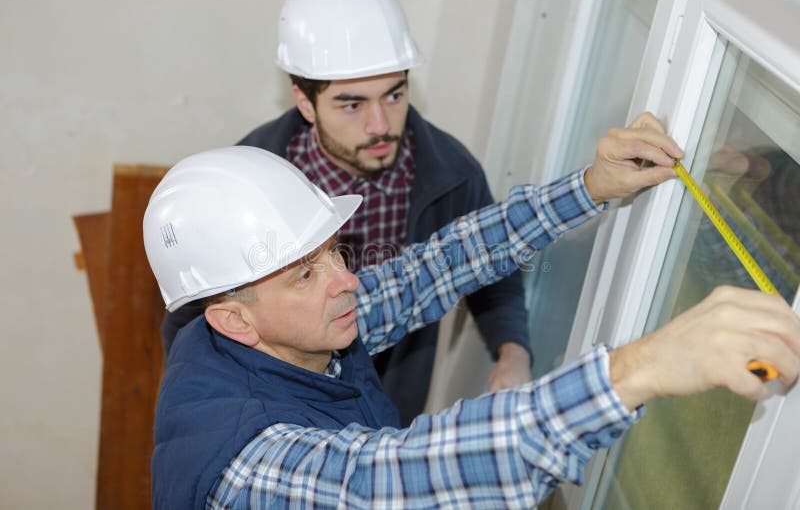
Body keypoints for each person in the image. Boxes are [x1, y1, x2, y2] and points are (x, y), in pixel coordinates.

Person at [143, 113, 800, 509]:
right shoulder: (245, 460)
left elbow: (437, 265)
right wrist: (639, 369)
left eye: (335, 251)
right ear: (234, 319)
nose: (347, 280)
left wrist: (590, 187)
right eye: (306, 273)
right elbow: (401, 477)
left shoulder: (289, 327)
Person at [159, 0, 533, 425]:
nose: (380, 125)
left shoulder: (450, 174)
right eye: (352, 105)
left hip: (390, 406)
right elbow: (192, 325)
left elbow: (490, 264)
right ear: (305, 102)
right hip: (283, 415)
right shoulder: (242, 186)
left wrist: (513, 352)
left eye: (394, 95)